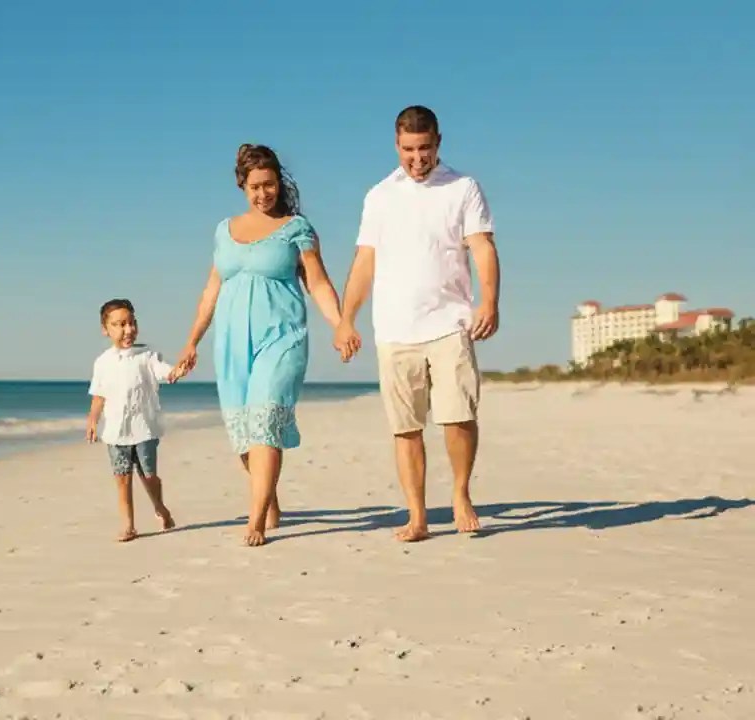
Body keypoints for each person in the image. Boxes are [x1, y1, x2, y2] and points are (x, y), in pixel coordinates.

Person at [334, 105, 501, 542]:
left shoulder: (463, 188)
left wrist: (490, 302)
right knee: (405, 426)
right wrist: (345, 319)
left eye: (424, 148)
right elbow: (364, 261)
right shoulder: (379, 196)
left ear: (438, 142)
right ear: (396, 145)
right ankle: (417, 515)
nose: (417, 158)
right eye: (408, 149)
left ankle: (461, 494)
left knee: (458, 417)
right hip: (393, 329)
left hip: (449, 322)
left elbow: (481, 247)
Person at [174, 144, 346, 547]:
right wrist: (192, 341)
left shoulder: (296, 227)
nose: (263, 194)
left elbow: (317, 282)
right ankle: (267, 499)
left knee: (266, 418)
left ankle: (255, 521)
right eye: (255, 186)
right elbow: (211, 289)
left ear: (278, 183)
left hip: (282, 337)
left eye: (269, 185)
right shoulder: (224, 230)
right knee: (243, 430)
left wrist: (340, 325)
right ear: (241, 185)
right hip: (232, 343)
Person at [86, 298, 179, 542]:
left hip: (144, 428)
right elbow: (99, 396)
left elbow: (165, 372)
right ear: (106, 329)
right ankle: (128, 524)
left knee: (148, 475)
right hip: (116, 432)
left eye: (131, 323)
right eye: (119, 325)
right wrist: (92, 421)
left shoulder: (147, 355)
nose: (128, 330)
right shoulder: (103, 362)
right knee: (122, 477)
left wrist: (177, 370)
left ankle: (160, 508)